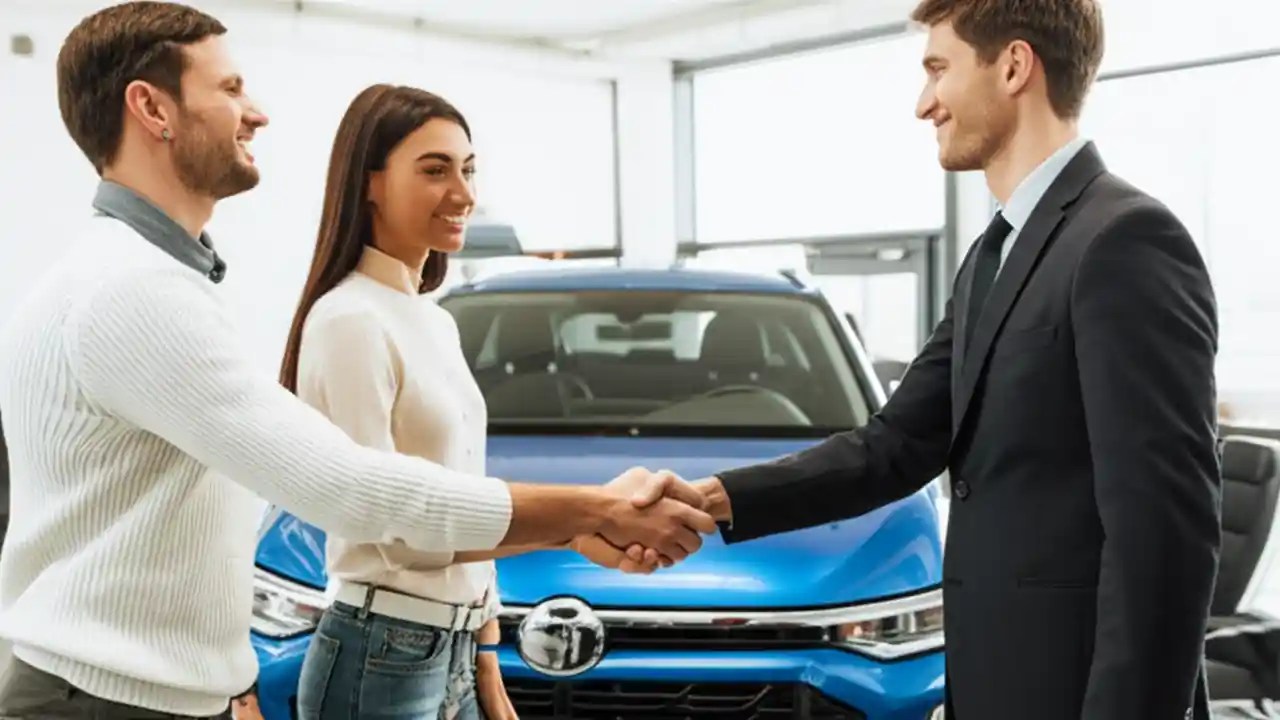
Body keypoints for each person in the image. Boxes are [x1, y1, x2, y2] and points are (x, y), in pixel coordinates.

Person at [0, 3, 710, 718]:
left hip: (131, 691)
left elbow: (192, 519)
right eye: (230, 89)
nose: (257, 114)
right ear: (152, 109)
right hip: (103, 699)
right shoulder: (132, 291)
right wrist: (592, 510)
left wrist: (232, 683)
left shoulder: (143, 279)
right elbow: (350, 489)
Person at [640, 0, 1222, 718]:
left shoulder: (1125, 239)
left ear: (1013, 66)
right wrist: (712, 500)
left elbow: (1165, 535)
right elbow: (897, 444)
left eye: (938, 69)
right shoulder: (994, 254)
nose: (925, 105)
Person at [282, 83, 607, 720]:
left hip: (453, 650)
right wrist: (571, 523)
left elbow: (461, 492)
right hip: (379, 654)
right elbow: (396, 529)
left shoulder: (433, 320)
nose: (463, 194)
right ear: (367, 182)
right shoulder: (347, 319)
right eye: (435, 170)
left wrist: (485, 661)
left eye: (468, 169)